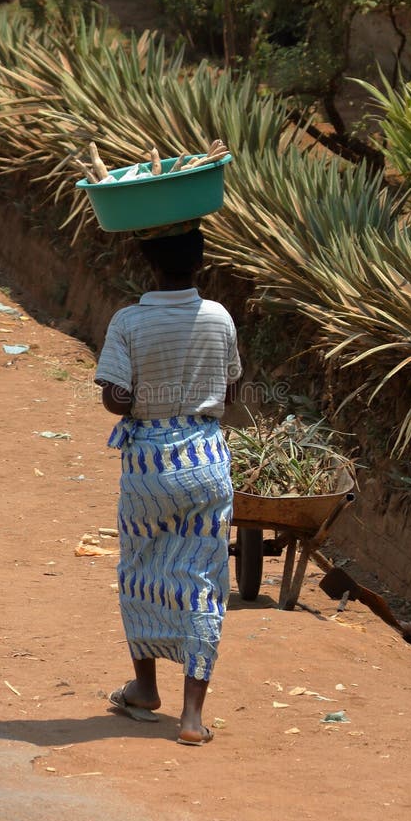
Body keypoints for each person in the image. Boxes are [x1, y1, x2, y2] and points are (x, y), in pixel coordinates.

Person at [94, 220, 241, 746]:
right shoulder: (219, 317)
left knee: (139, 571)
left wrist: (140, 399)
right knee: (202, 582)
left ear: (149, 265)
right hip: (206, 460)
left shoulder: (129, 321)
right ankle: (192, 718)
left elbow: (115, 398)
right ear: (199, 264)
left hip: (149, 467)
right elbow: (232, 388)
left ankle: (144, 686)